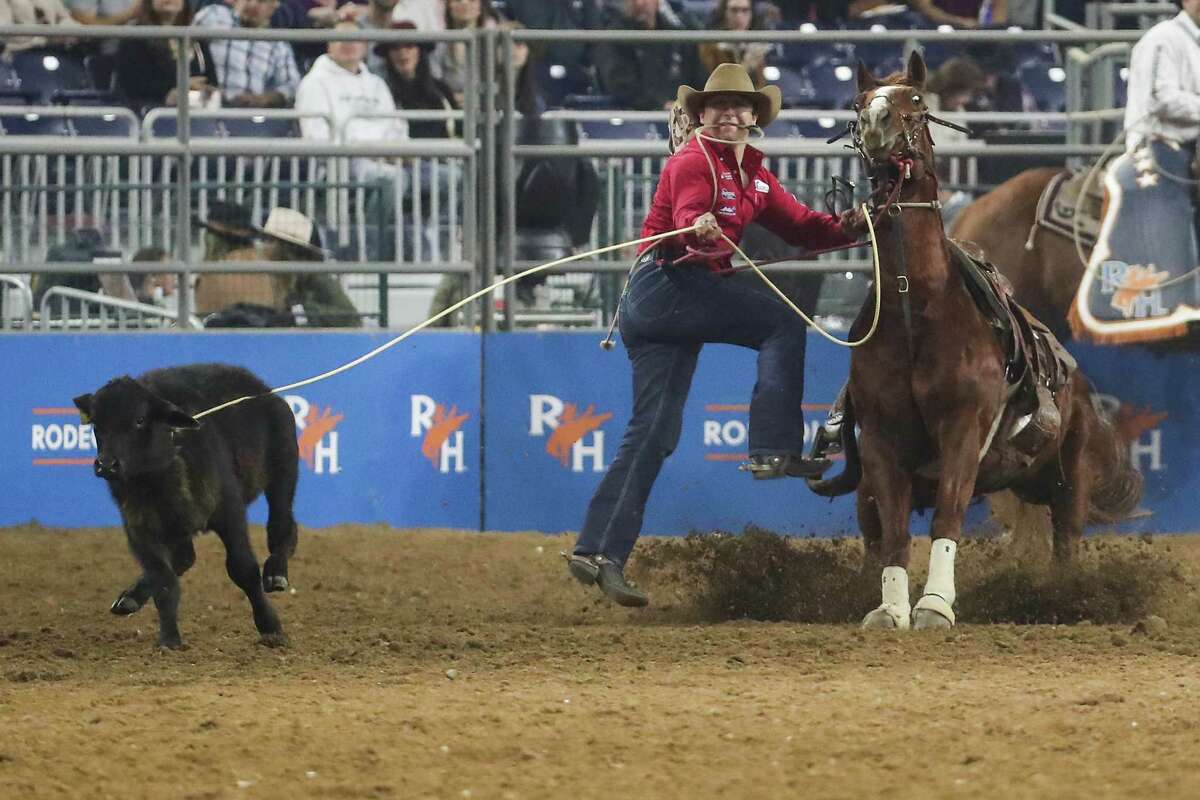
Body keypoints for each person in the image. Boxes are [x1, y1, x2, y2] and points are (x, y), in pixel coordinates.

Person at [565, 63, 867, 607]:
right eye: (719, 106)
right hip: (670, 286)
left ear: (754, 117)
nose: (730, 114)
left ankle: (597, 551)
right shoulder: (692, 160)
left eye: (740, 106)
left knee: (653, 432)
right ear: (701, 115)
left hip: (660, 302)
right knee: (780, 322)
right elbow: (687, 217)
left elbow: (801, 227)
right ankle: (772, 447)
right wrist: (701, 229)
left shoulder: (753, 174)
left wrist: (851, 227)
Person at [260, 207, 362, 327]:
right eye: (264, 239)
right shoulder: (266, 273)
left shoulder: (316, 276)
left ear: (286, 248)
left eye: (270, 240)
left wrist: (300, 312)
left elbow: (350, 317)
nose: (263, 246)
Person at [594, 0, 703, 111]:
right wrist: (662, 104)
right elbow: (621, 87)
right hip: (634, 117)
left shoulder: (677, 36)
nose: (640, 3)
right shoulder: (614, 38)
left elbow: (699, 80)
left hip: (683, 114)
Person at [114, 0, 220, 113]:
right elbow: (132, 86)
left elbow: (211, 80)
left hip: (198, 113)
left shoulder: (196, 38)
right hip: (151, 113)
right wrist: (176, 88)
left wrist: (205, 90)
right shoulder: (135, 36)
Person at [194, 0, 303, 107]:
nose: (253, 4)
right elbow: (185, 38)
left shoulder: (278, 45)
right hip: (210, 106)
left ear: (273, 6)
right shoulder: (216, 15)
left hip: (251, 113)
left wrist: (264, 99)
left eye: (262, 1)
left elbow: (292, 85)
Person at [379, 20, 459, 138]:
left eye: (409, 45)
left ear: (420, 50)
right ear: (388, 55)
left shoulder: (441, 90)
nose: (402, 52)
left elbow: (459, 129)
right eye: (395, 47)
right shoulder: (381, 91)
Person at [434, 0, 501, 107]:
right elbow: (435, 79)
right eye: (457, 0)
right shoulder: (440, 43)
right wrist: (451, 97)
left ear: (480, 6)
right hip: (451, 107)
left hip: (488, 107)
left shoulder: (494, 43)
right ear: (449, 6)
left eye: (472, 0)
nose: (464, 3)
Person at [699, 0, 773, 90]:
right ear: (724, 13)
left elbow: (764, 87)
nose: (739, 17)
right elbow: (717, 86)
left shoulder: (760, 45)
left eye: (745, 10)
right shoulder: (709, 46)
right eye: (734, 10)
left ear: (752, 14)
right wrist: (746, 65)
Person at [908, 0, 1007, 28]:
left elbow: (999, 12)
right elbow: (925, 7)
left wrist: (989, 31)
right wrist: (958, 22)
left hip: (975, 32)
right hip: (936, 29)